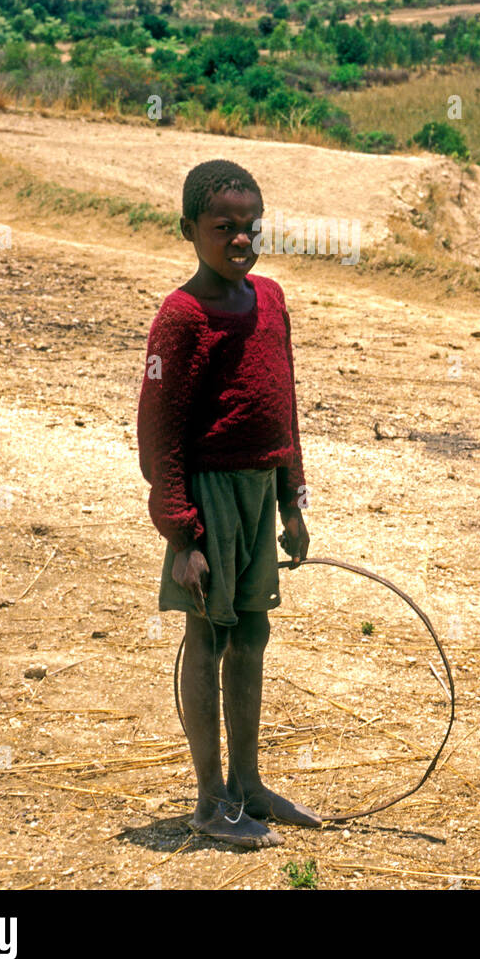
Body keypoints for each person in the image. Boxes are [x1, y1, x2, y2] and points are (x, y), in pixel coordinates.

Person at [137, 158, 321, 848]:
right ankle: (210, 801)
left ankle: (248, 784)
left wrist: (292, 503)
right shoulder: (182, 317)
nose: (241, 239)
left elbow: (283, 411)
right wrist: (183, 537)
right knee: (208, 638)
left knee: (252, 634)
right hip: (208, 500)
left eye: (251, 226)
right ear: (189, 230)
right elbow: (161, 436)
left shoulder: (269, 300)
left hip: (258, 488)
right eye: (224, 227)